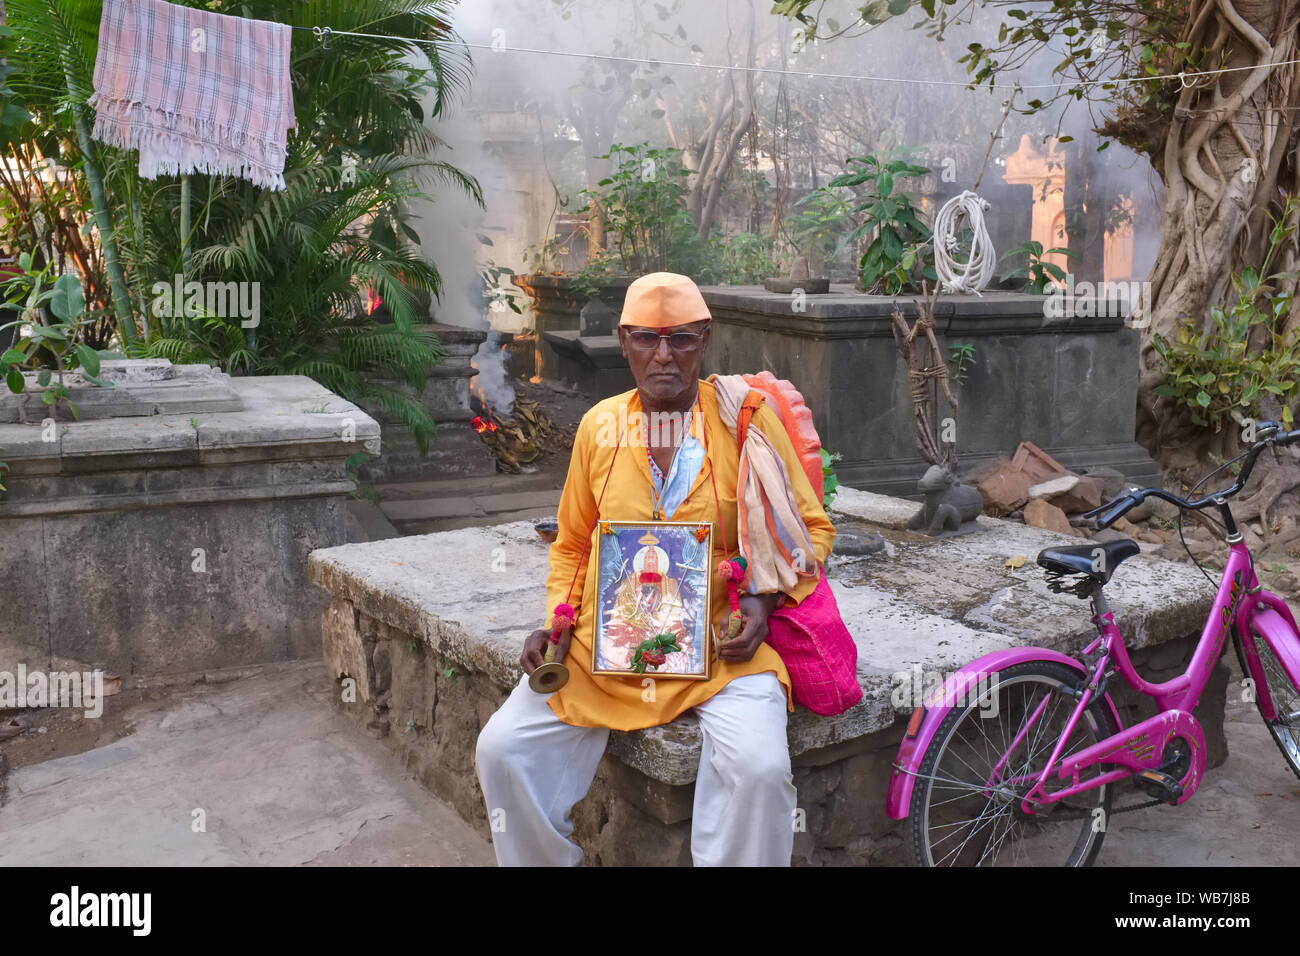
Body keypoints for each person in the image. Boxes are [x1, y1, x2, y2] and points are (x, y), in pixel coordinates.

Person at [475, 271, 835, 866]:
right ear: (623, 342)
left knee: (763, 770)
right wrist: (557, 623)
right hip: (609, 646)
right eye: (647, 339)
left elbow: (812, 532)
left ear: (705, 339)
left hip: (724, 649)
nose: (664, 356)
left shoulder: (745, 421)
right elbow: (571, 543)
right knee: (502, 749)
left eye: (681, 340)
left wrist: (762, 604)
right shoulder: (600, 426)